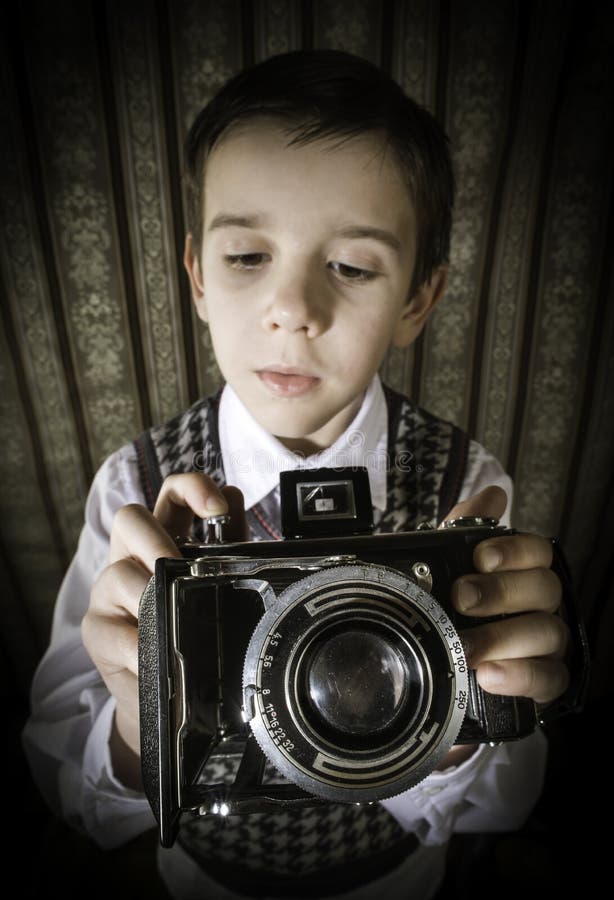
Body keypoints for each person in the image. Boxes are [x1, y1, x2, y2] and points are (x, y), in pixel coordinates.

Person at [23, 49, 570, 900]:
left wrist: (466, 716)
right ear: (199, 275)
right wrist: (142, 721)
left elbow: (506, 801)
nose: (294, 310)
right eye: (247, 257)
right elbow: (71, 783)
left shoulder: (468, 489)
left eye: (350, 267)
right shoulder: (132, 488)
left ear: (418, 302)